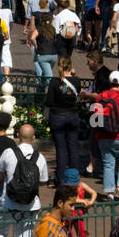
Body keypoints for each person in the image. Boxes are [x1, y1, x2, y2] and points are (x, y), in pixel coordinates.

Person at [0, 122, 49, 237]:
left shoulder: (8, 153)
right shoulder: (40, 158)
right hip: (30, 204)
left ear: (17, 135)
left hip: (8, 202)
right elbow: (43, 181)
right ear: (33, 137)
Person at [86, 69, 119, 201]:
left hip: (104, 136)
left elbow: (96, 118)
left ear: (109, 82)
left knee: (108, 163)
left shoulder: (101, 96)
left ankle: (109, 192)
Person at [45, 57, 82, 187]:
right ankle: (74, 179)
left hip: (58, 117)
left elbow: (48, 102)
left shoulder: (55, 82)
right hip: (72, 116)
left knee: (61, 150)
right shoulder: (76, 81)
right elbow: (75, 94)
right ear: (70, 67)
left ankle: (60, 179)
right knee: (73, 148)